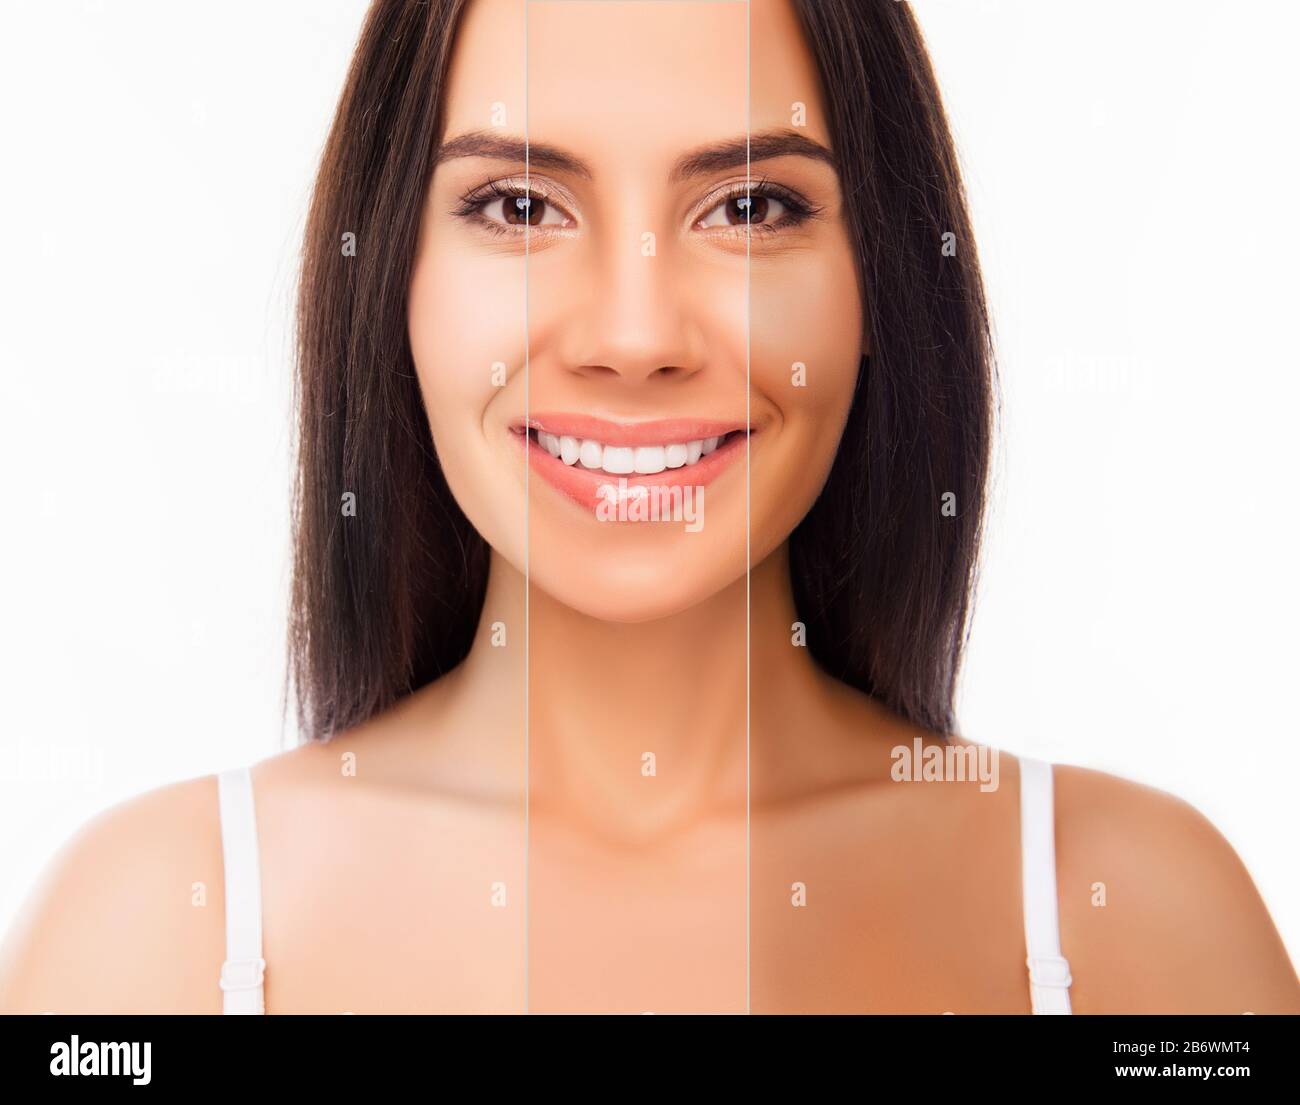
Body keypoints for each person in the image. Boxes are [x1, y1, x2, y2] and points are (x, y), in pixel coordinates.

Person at [2, 0, 1296, 1014]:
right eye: (518, 204)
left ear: (878, 280)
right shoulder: (153, 937)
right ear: (392, 267)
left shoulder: (1129, 922)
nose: (633, 336)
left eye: (748, 205)